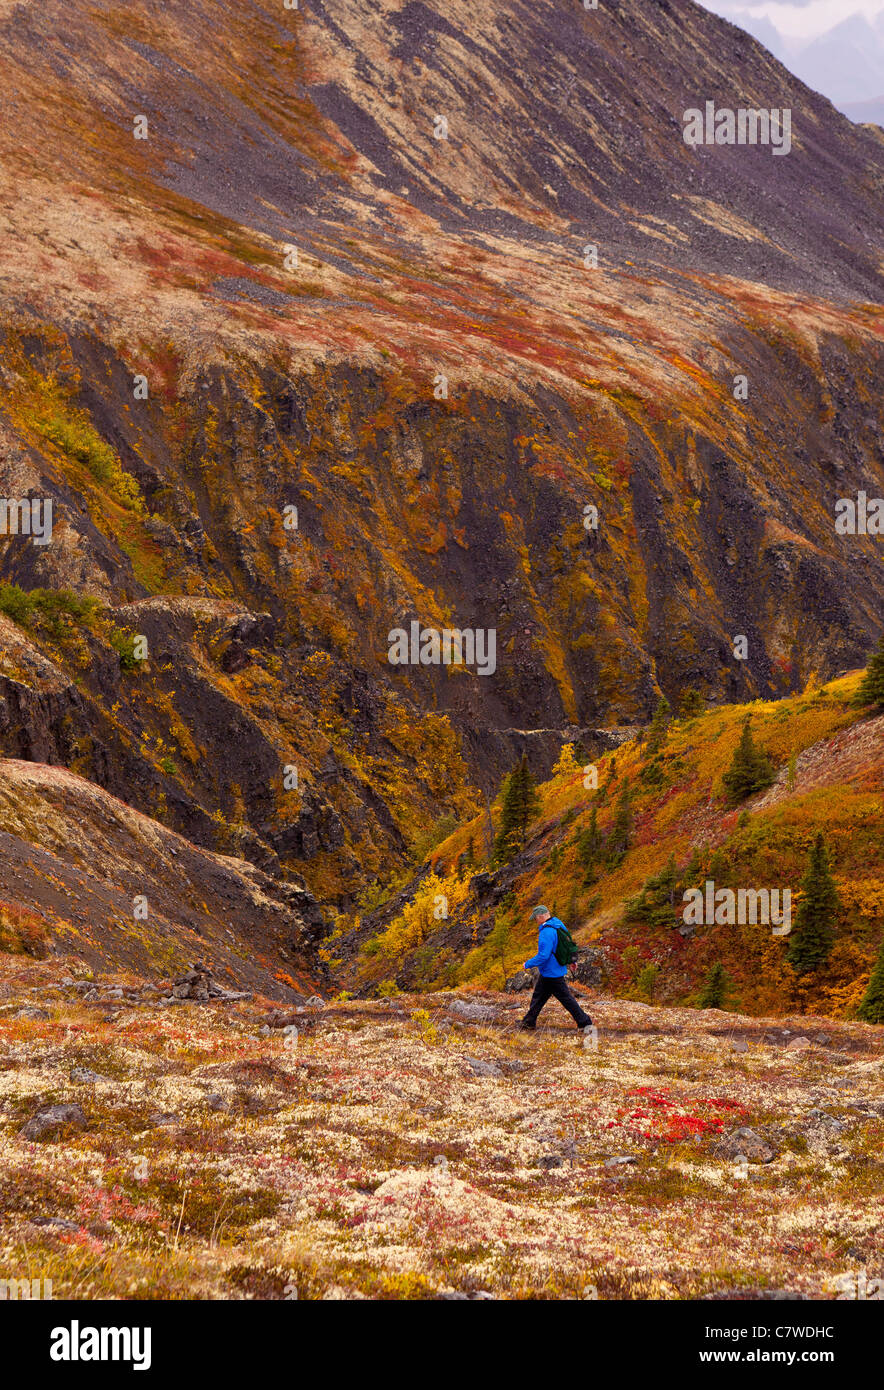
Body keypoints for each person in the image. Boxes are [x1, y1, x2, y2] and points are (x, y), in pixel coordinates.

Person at [519, 904, 593, 1033]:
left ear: (541, 916)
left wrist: (528, 964)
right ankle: (528, 1021)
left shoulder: (546, 932)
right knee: (539, 997)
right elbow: (568, 944)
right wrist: (571, 961)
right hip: (553, 969)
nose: (535, 921)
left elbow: (544, 955)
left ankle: (585, 1023)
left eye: (535, 918)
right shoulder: (557, 924)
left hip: (551, 972)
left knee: (566, 999)